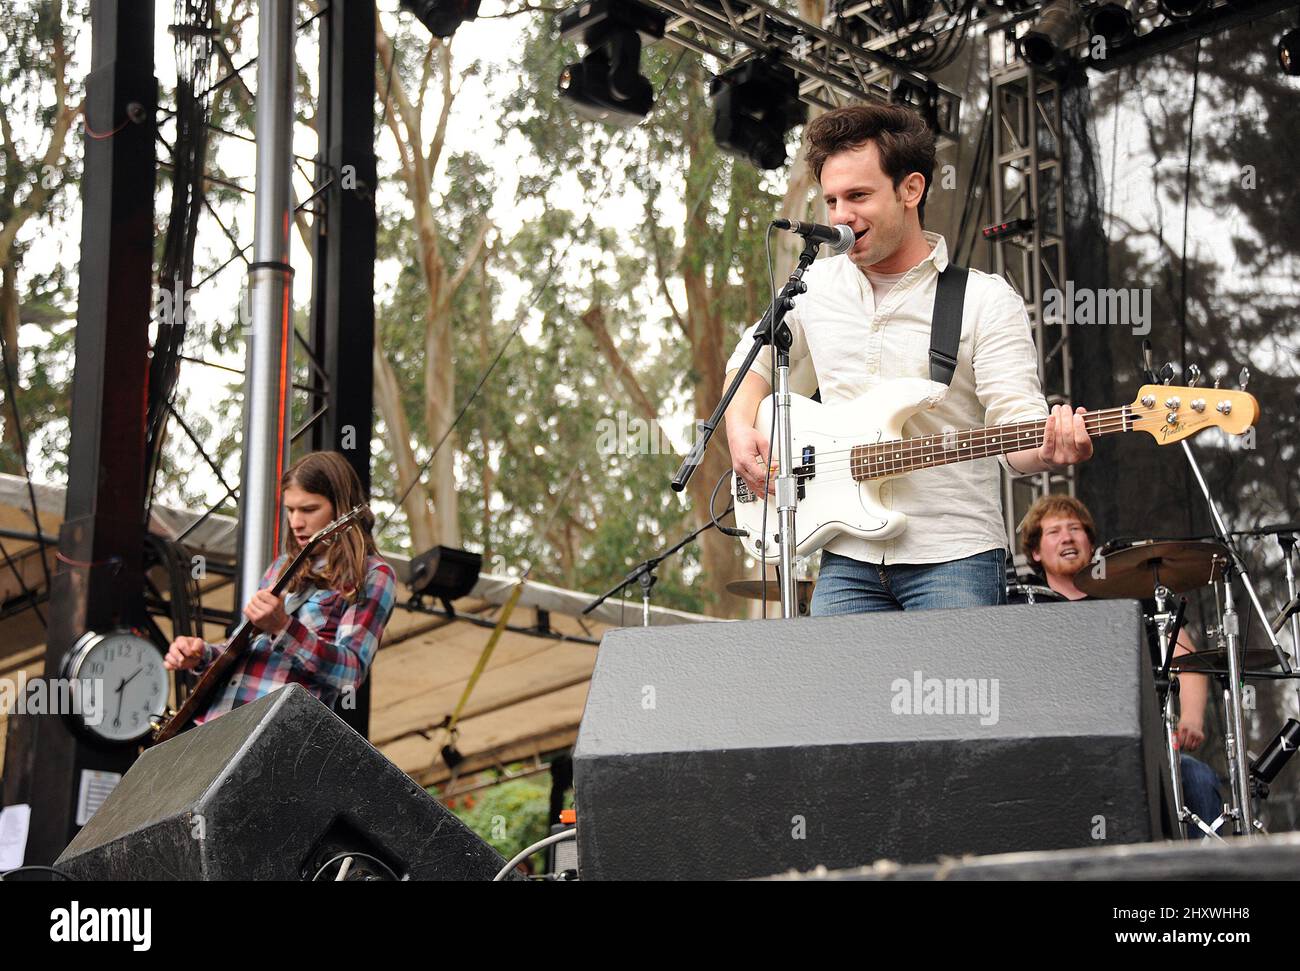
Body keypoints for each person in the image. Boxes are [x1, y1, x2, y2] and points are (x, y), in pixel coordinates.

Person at [723, 103, 1093, 616]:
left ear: (911, 189)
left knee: (949, 698)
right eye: (831, 200)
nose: (840, 217)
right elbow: (753, 363)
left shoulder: (986, 299)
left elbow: (1016, 434)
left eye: (857, 196)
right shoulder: (812, 287)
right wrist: (741, 431)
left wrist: (1050, 448)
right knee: (836, 698)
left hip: (953, 554)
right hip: (846, 555)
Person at [1018, 493, 1224, 835]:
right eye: (1053, 531)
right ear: (1036, 552)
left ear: (1091, 542)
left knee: (1197, 778)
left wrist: (1190, 718)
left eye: (1075, 529)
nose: (1067, 537)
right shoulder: (1024, 608)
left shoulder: (1131, 595)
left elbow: (1186, 659)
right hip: (1057, 754)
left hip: (1139, 748)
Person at [164, 451, 397, 724]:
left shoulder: (373, 574)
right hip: (216, 726)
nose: (296, 522)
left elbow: (348, 674)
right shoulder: (281, 568)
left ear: (342, 509)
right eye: (290, 510)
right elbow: (245, 650)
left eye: (309, 509)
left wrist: (283, 627)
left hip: (274, 735)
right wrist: (200, 653)